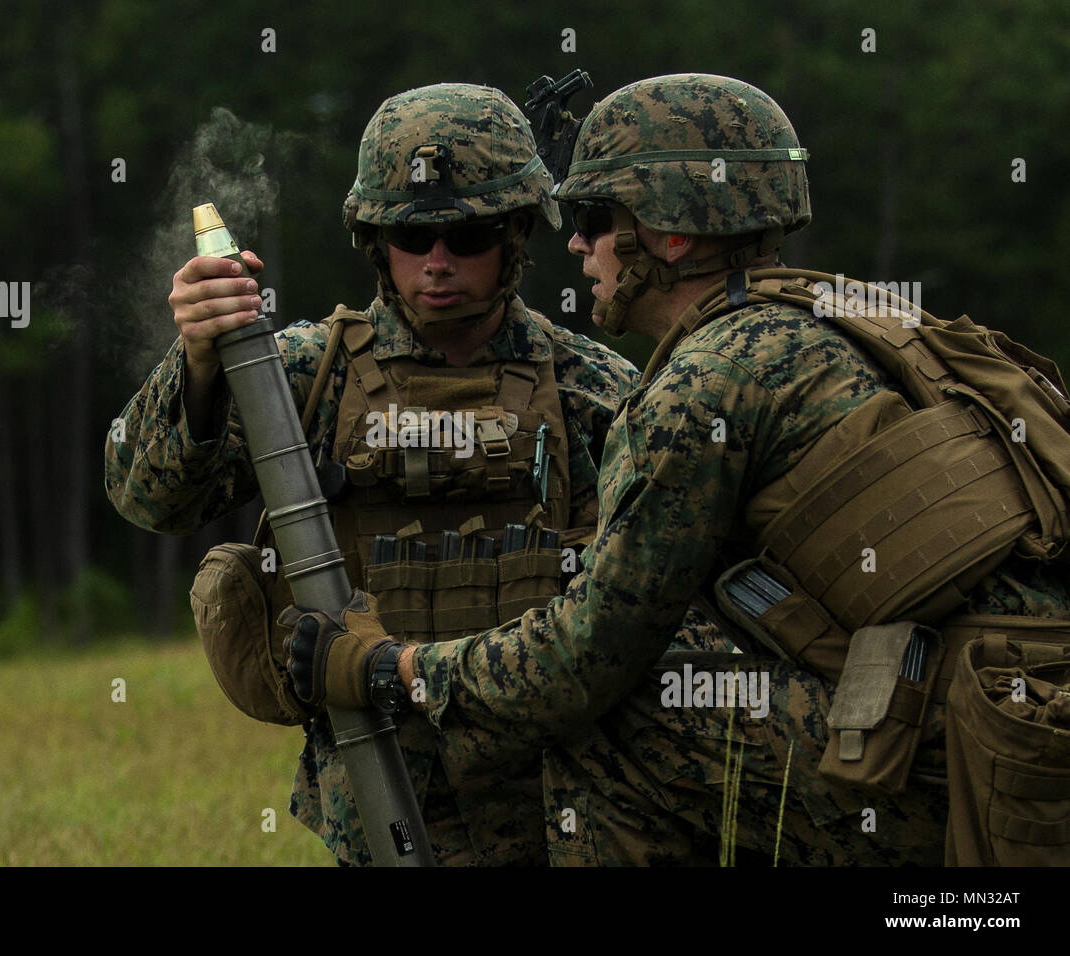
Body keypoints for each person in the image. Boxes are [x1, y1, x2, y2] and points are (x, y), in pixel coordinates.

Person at [285, 73, 1070, 865]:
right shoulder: (849, 316)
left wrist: (394, 670)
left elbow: (580, 658)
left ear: (669, 237)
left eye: (596, 219)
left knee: (620, 706)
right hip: (1016, 720)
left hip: (985, 752)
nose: (576, 244)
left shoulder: (709, 380)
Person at [105, 82, 642, 865]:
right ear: (372, 239)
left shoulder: (590, 387)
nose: (437, 264)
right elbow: (147, 496)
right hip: (373, 788)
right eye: (410, 237)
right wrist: (197, 364)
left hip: (556, 797)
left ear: (518, 233)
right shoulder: (301, 375)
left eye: (468, 236)